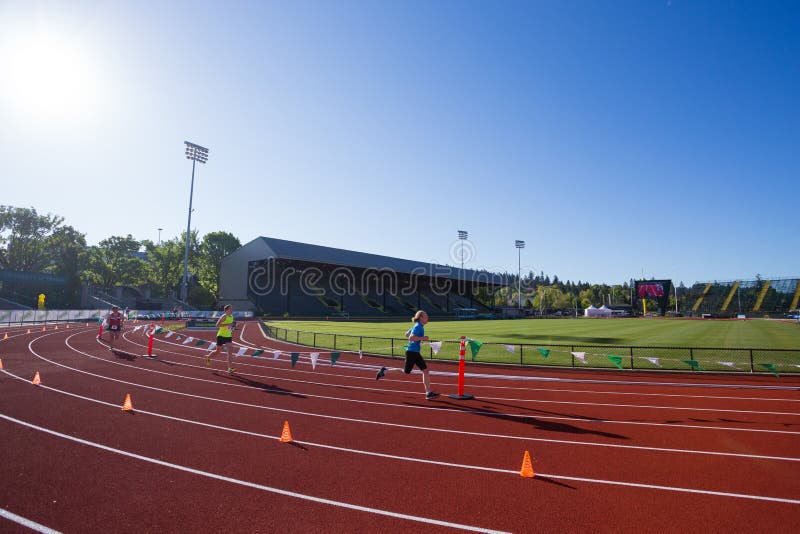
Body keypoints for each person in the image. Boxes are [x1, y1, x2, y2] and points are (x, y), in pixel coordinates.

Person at [376, 310, 439, 400]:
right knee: (406, 371)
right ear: (421, 317)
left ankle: (428, 393)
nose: (427, 318)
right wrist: (422, 338)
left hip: (415, 352)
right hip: (412, 352)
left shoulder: (417, 326)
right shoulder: (418, 327)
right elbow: (411, 337)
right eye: (426, 316)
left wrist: (417, 339)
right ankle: (385, 370)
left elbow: (406, 334)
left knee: (425, 370)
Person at [206, 304, 236, 373]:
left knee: (230, 352)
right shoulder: (224, 316)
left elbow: (230, 326)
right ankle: (208, 358)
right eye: (230, 309)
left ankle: (230, 368)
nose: (232, 310)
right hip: (221, 336)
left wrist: (232, 328)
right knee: (217, 351)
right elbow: (217, 325)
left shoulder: (231, 316)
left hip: (228, 336)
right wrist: (227, 325)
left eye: (232, 309)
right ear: (226, 310)